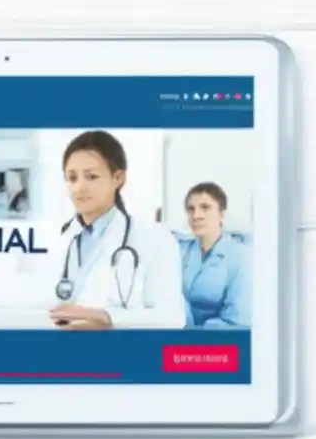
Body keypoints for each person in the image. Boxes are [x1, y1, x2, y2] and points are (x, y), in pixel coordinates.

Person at [46, 131, 185, 329]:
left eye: (91, 176)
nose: (79, 187)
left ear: (118, 178)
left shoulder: (156, 238)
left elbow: (171, 318)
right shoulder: (60, 239)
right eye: (72, 178)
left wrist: (108, 318)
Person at [177, 182, 251, 328]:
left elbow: (238, 319)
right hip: (178, 335)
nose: (196, 215)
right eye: (191, 209)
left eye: (205, 208)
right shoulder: (181, 251)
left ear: (222, 214)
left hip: (221, 338)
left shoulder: (239, 256)